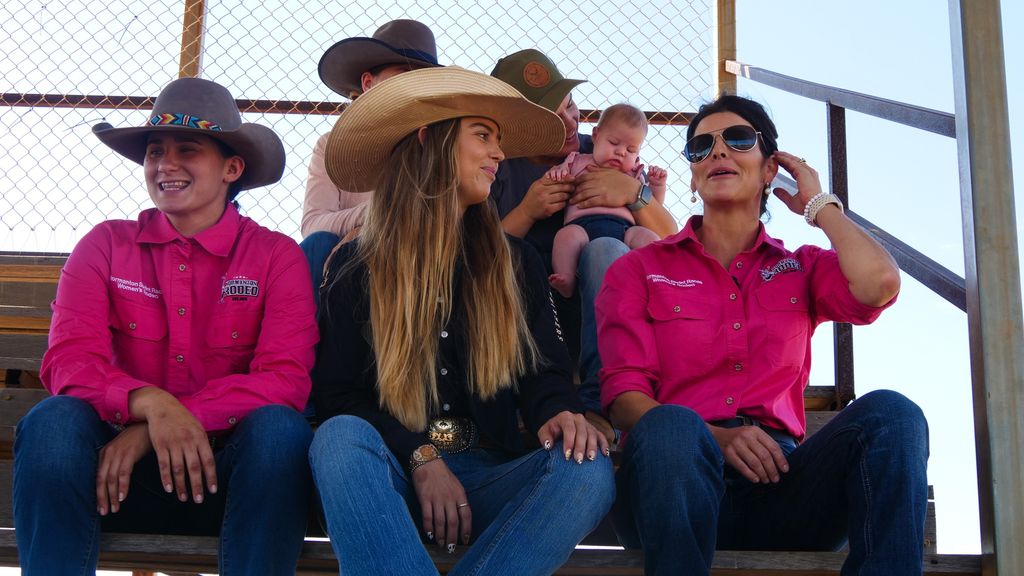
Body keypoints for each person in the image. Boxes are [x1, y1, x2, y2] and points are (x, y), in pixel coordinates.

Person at [596, 93, 929, 575]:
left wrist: (820, 206)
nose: (718, 150)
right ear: (693, 175)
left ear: (770, 168)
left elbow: (879, 284)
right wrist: (717, 439)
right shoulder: (639, 269)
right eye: (701, 146)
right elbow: (624, 398)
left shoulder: (802, 267)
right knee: (672, 427)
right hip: (673, 482)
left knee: (893, 415)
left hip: (780, 484)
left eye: (737, 139)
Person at [309, 66, 615, 575]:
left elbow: (543, 371)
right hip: (390, 481)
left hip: (491, 475)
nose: (499, 154)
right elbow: (339, 396)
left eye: (498, 141)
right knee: (338, 439)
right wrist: (421, 457)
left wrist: (557, 411)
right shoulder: (356, 265)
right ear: (429, 139)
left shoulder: (515, 261)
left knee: (587, 470)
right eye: (483, 136)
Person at [13, 77, 317, 575]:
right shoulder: (105, 245)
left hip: (227, 485)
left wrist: (170, 422)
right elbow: (69, 361)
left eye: (187, 150)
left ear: (232, 168)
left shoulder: (275, 256)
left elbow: (284, 380)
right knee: (52, 422)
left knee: (281, 432)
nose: (165, 165)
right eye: (155, 151)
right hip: (115, 481)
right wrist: (151, 406)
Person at [489, 49, 677, 430]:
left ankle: (609, 397)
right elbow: (477, 258)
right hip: (526, 316)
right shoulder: (497, 167)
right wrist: (527, 211)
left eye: (571, 104)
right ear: (518, 126)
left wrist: (634, 193)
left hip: (601, 312)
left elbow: (669, 238)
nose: (571, 121)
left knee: (606, 249)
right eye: (551, 116)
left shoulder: (604, 150)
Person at [300, 19, 442, 298]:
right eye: (403, 73)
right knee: (318, 244)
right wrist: (378, 211)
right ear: (368, 83)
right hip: (350, 267)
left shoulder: (437, 143)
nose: (411, 85)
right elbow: (313, 224)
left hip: (420, 262)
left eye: (421, 78)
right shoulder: (332, 145)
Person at [546, 103, 667, 298]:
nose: (621, 152)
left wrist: (657, 185)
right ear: (596, 136)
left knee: (648, 238)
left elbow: (653, 206)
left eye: (631, 150)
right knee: (565, 237)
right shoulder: (577, 160)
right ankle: (566, 277)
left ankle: (657, 281)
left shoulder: (634, 174)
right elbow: (559, 174)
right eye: (613, 143)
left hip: (626, 230)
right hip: (581, 227)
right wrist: (557, 173)